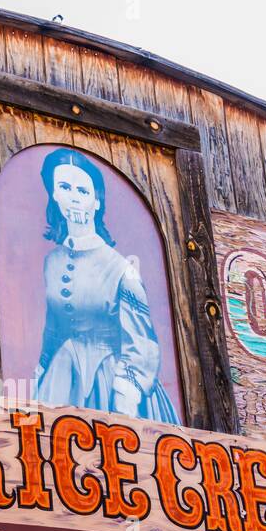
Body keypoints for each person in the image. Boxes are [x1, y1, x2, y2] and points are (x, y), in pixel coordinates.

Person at [31, 147, 179, 423]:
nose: (74, 198)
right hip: (62, 377)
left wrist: (126, 394)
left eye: (82, 191)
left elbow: (141, 345)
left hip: (111, 382)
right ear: (54, 194)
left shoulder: (122, 270)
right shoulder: (52, 261)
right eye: (64, 187)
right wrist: (42, 369)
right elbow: (53, 327)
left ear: (96, 202)